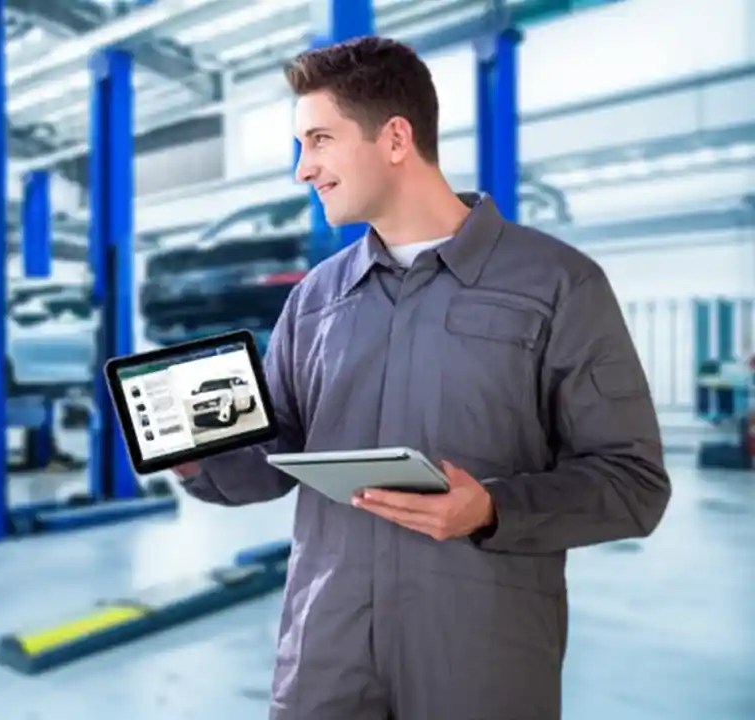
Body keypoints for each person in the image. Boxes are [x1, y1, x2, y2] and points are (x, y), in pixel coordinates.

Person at [172, 36, 671, 720]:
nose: (303, 169)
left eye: (318, 140)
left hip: (480, 658)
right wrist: (195, 453)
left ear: (396, 138)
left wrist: (493, 507)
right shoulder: (316, 299)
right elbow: (272, 463)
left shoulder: (557, 284)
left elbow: (633, 483)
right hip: (327, 655)